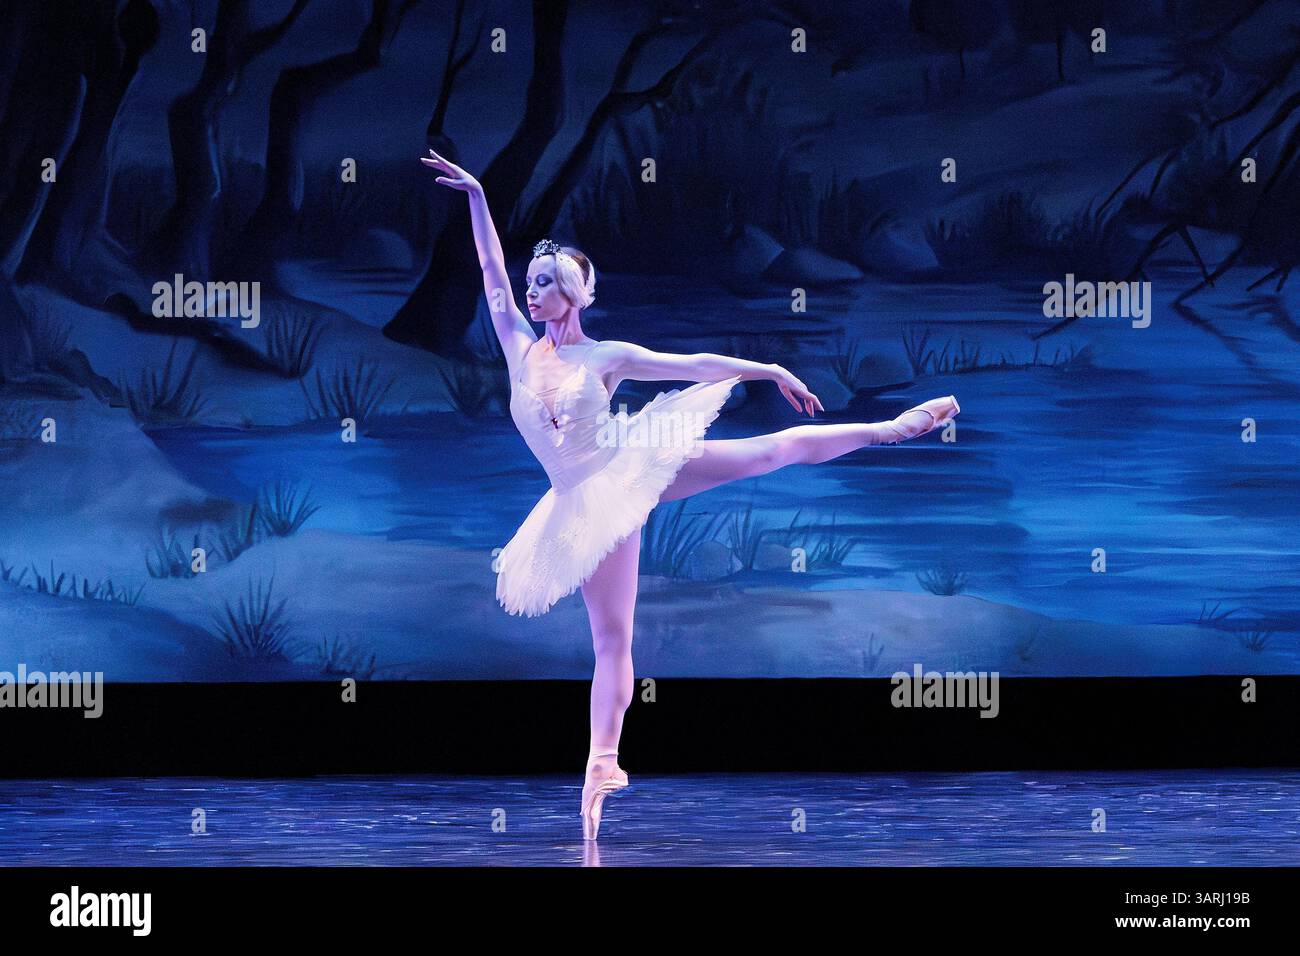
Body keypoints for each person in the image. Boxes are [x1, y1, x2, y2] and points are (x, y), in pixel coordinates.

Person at [421, 149, 959, 839]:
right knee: (611, 638)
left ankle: (890, 428)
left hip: (627, 467)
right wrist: (475, 196)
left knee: (770, 450)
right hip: (578, 505)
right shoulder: (517, 347)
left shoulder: (604, 356)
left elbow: (692, 364)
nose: (531, 292)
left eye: (547, 283)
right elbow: (491, 271)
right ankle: (602, 762)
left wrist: (765, 367)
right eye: (533, 282)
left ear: (575, 296)